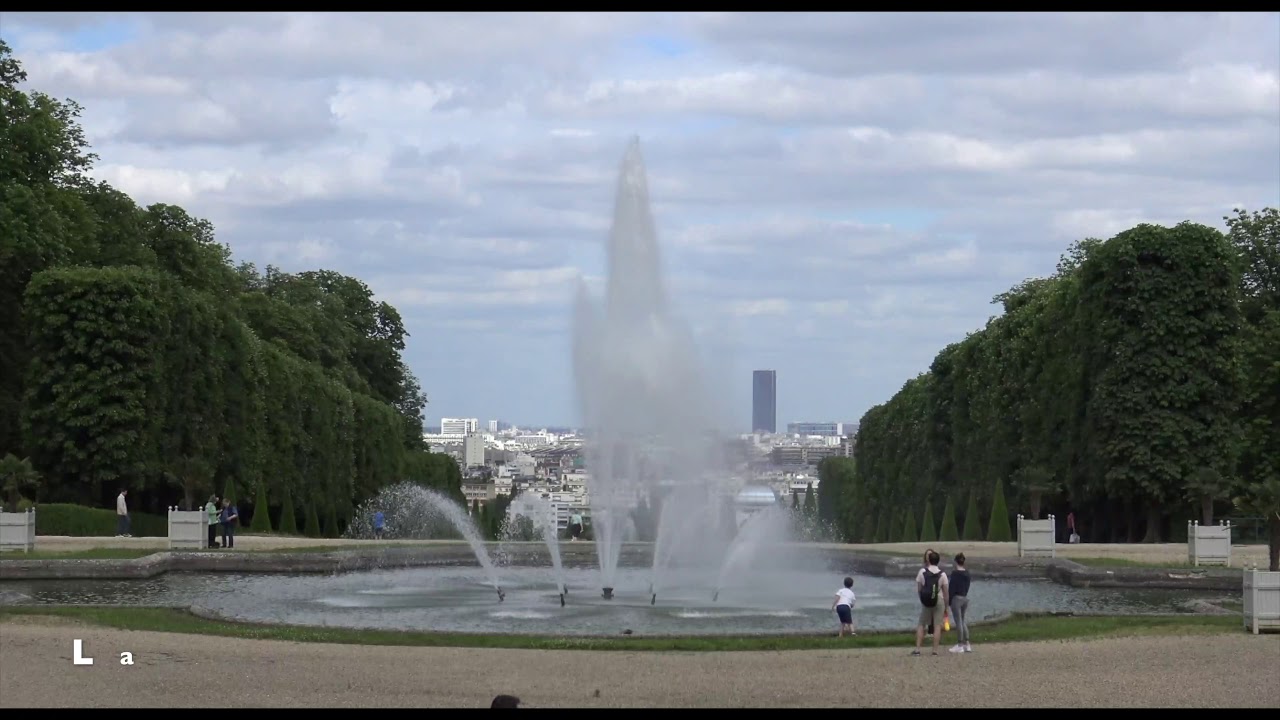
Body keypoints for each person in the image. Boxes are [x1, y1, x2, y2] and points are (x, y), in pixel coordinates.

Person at [913, 550, 949, 656]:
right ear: (938, 561)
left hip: (926, 600)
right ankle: (935, 650)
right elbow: (946, 593)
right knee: (937, 625)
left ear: (929, 560)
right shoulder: (942, 574)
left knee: (921, 624)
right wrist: (946, 607)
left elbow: (919, 589)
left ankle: (917, 649)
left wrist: (922, 599)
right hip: (939, 600)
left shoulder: (922, 572)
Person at [948, 552, 972, 653]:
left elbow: (951, 588)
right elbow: (967, 586)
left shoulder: (955, 574)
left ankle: (960, 644)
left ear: (955, 562)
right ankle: (967, 644)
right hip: (964, 597)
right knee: (962, 620)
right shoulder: (967, 573)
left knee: (958, 621)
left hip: (956, 598)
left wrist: (949, 601)